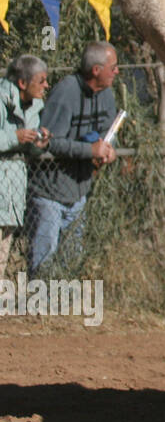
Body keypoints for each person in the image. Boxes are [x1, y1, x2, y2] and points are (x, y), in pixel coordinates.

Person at [27, 42, 119, 273]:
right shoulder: (65, 92)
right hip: (49, 194)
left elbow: (109, 132)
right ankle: (38, 305)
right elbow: (50, 142)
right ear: (96, 70)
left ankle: (65, 306)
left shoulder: (106, 95)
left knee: (72, 263)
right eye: (113, 67)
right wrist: (89, 151)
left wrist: (109, 149)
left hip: (79, 194)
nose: (117, 72)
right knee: (43, 262)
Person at [1, 55, 50, 274]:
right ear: (22, 83)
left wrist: (39, 143)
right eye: (41, 81)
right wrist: (15, 137)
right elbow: (14, 139)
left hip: (12, 193)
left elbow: (26, 146)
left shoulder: (34, 107)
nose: (46, 85)